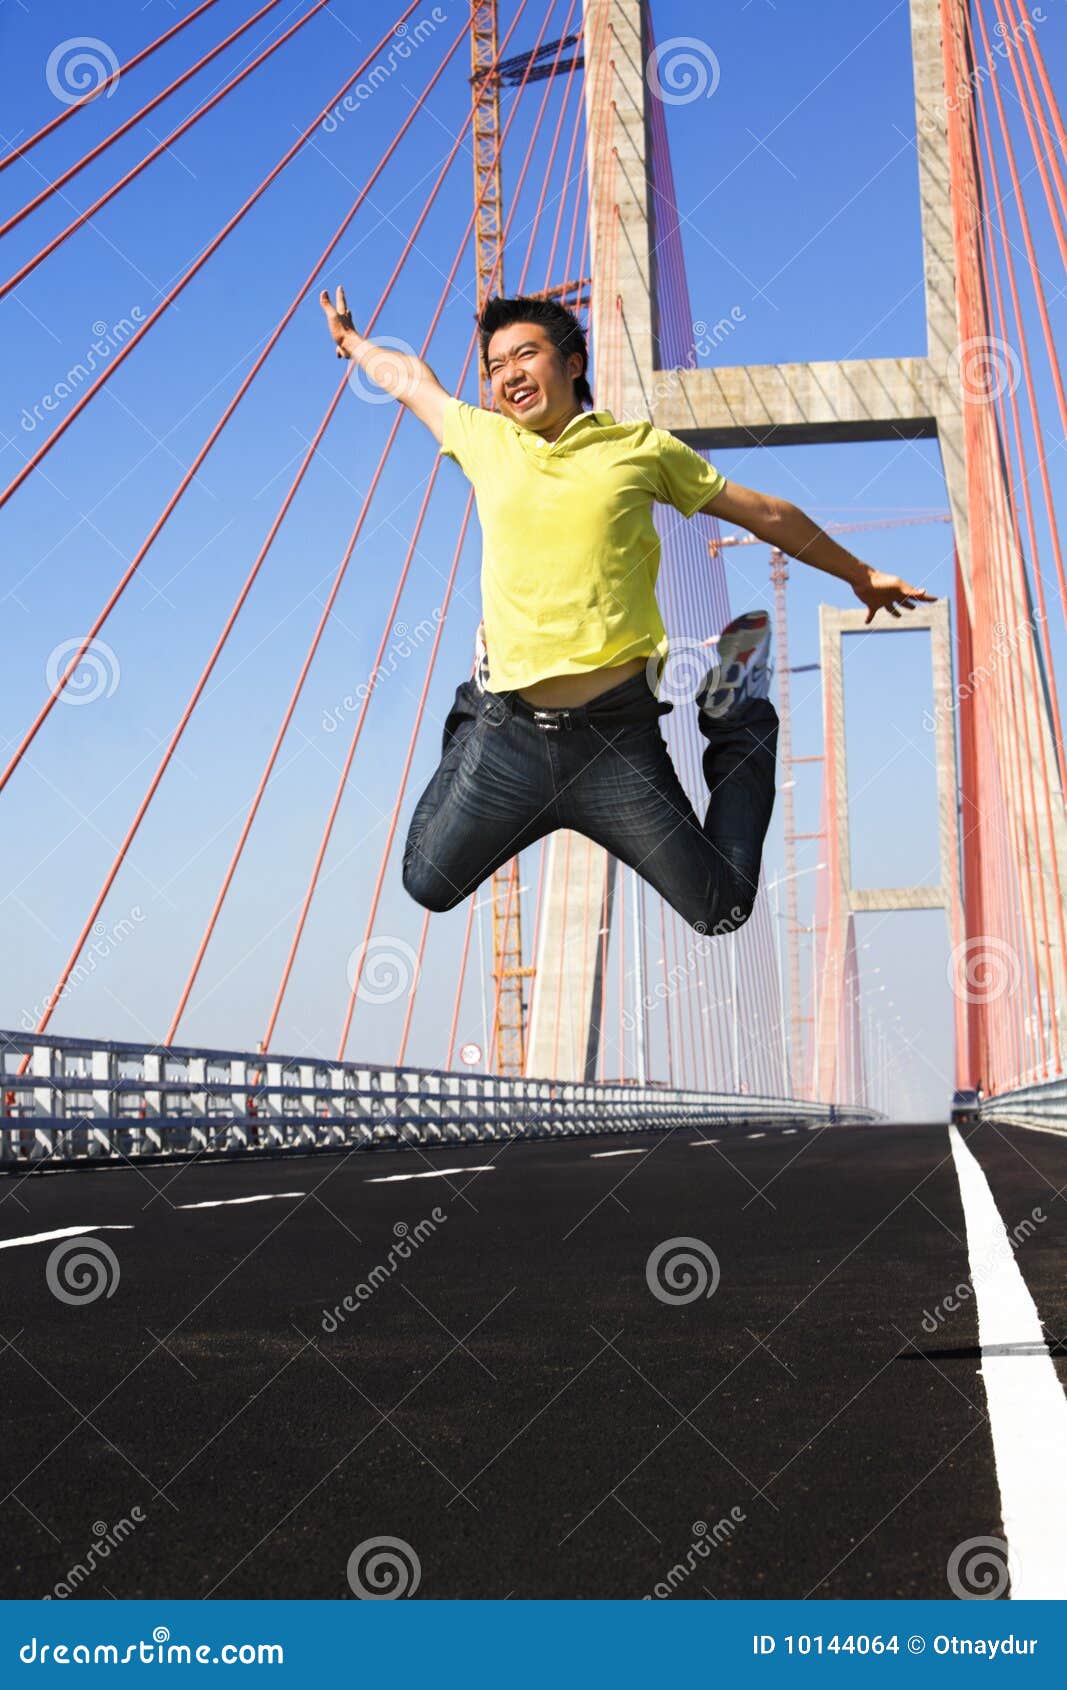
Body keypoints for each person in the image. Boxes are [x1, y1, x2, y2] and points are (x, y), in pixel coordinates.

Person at [319, 286, 934, 937]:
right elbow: (412, 381)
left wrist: (860, 574)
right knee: (427, 882)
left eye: (524, 355)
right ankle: (478, 692)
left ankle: (737, 708)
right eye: (495, 367)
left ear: (573, 362)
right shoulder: (485, 439)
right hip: (511, 736)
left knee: (720, 909)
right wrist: (354, 344)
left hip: (616, 743)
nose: (507, 376)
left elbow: (766, 513)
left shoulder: (639, 449)